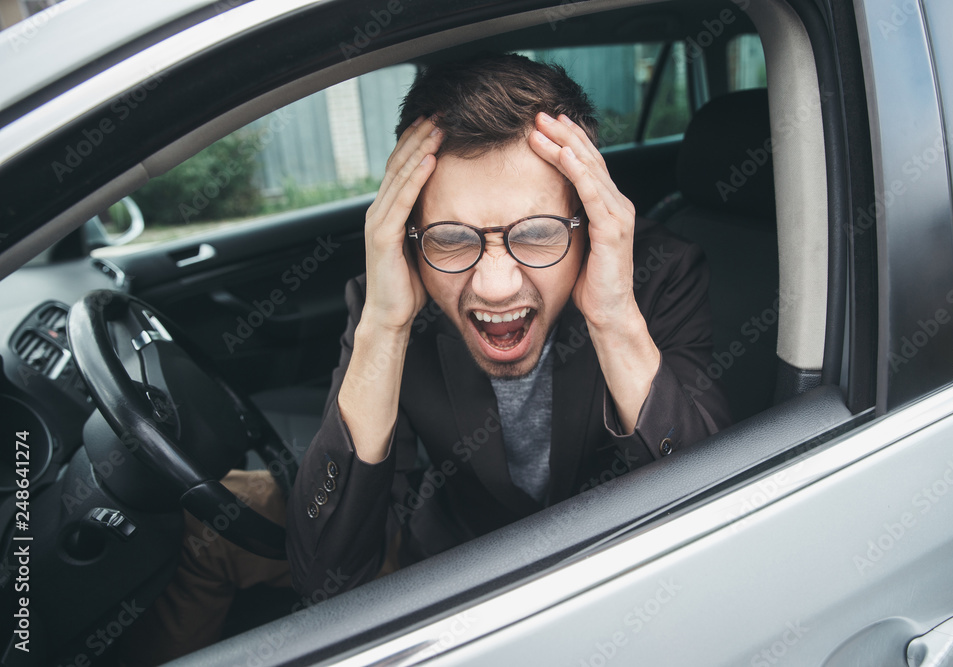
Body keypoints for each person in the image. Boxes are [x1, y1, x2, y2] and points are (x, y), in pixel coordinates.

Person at [119, 53, 729, 665]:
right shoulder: (393, 298)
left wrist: (614, 316)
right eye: (451, 237)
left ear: (591, 226)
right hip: (442, 569)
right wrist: (384, 325)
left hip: (609, 597)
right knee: (209, 515)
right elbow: (326, 574)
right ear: (411, 236)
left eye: (539, 232)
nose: (494, 286)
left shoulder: (652, 278)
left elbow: (720, 520)